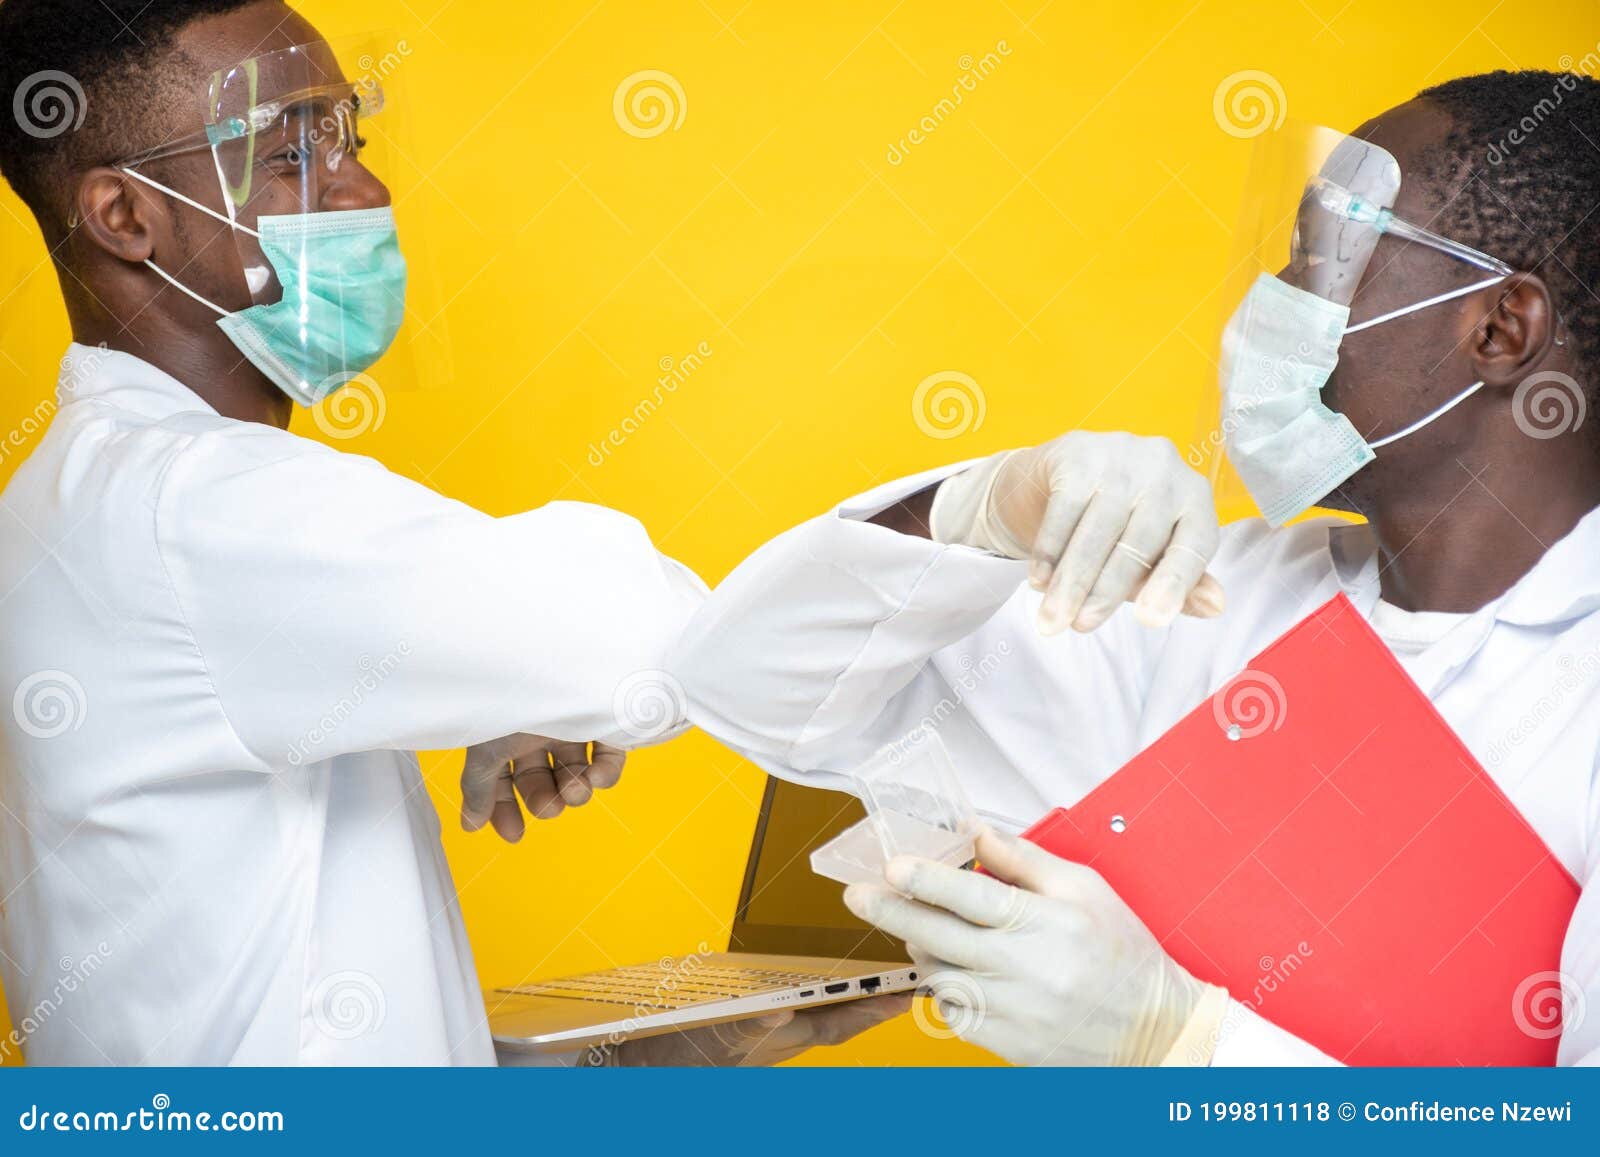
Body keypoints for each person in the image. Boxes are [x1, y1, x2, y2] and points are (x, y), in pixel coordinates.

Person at [0, 0, 1213, 1065]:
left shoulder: (69, 502)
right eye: (289, 153)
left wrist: (635, 1057)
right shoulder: (196, 509)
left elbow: (255, 1014)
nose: (361, 187)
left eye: (350, 135)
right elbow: (659, 636)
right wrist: (550, 679)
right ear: (124, 214)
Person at [671, 72, 1600, 1066]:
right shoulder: (1210, 601)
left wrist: (1185, 1042)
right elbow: (752, 689)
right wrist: (971, 510)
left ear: (1500, 329)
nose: (1273, 300)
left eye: (1326, 257)